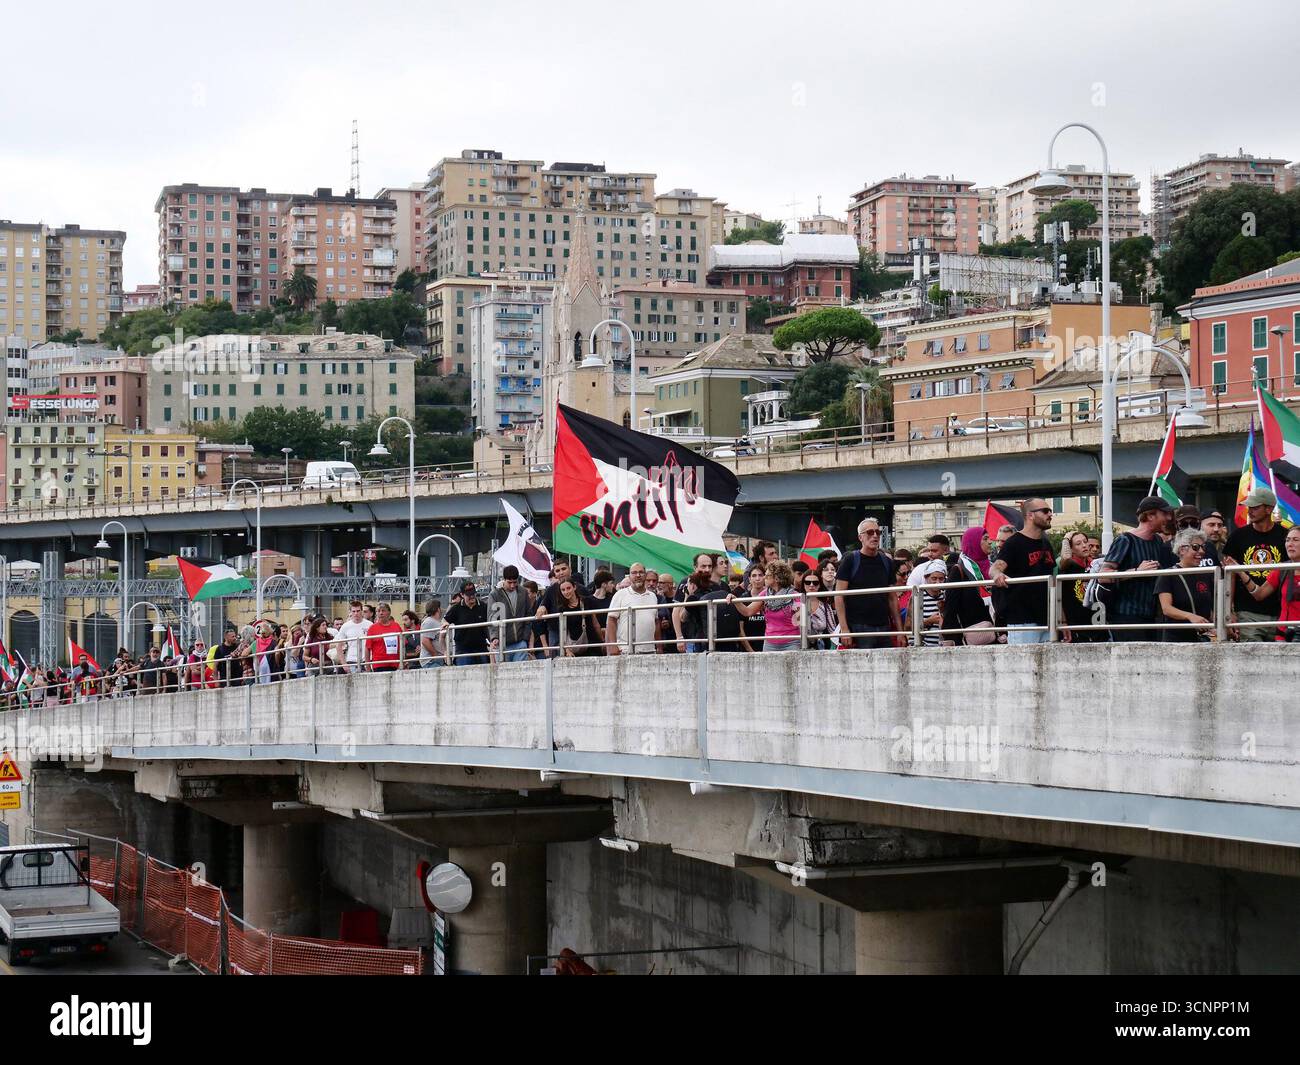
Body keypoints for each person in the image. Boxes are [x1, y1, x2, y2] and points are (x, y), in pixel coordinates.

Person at [1095, 497, 1177, 641]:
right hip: (1126, 616)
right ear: (1150, 515)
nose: (1168, 518)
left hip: (1152, 616)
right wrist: (1137, 572)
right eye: (1164, 513)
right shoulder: (1125, 540)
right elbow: (1103, 576)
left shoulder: (1158, 541)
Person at [1224, 487, 1290, 643]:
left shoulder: (1286, 536)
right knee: (1251, 659)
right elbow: (1230, 575)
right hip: (1247, 612)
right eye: (1249, 507)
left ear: (1269, 509)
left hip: (1280, 612)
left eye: (1255, 507)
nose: (1250, 511)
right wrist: (1230, 610)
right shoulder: (1238, 536)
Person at [990, 498, 1060, 644]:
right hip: (1022, 619)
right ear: (1030, 515)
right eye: (1045, 511)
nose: (1050, 514)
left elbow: (1054, 582)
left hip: (1047, 618)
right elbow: (996, 567)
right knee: (1022, 666)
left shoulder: (1046, 543)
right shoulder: (1014, 542)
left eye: (1050, 511)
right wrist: (998, 574)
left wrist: (1062, 619)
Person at [835, 518, 900, 648]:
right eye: (870, 532)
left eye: (878, 532)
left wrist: (900, 631)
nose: (875, 535)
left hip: (883, 626)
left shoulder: (886, 561)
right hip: (858, 627)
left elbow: (892, 597)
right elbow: (839, 596)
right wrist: (845, 629)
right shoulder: (850, 560)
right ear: (860, 537)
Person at [1230, 524, 1300, 642]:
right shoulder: (1282, 569)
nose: (1290, 544)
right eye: (1287, 540)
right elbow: (1259, 594)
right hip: (1284, 635)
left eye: (1296, 540)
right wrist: (1241, 572)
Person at [1155, 527, 1216, 642]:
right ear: (1182, 550)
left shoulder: (1206, 573)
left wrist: (1215, 627)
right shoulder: (1168, 574)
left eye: (1203, 547)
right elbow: (1166, 608)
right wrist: (1190, 616)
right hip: (1176, 638)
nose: (1201, 551)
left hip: (1202, 638)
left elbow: (1209, 607)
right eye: (1196, 547)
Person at [730, 561, 800, 651]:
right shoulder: (765, 593)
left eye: (767, 576)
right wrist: (735, 600)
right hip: (770, 643)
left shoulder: (794, 596)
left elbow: (801, 623)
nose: (763, 578)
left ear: (777, 578)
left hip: (791, 643)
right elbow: (748, 611)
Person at [943, 527, 995, 645]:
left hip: (995, 635)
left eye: (989, 538)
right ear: (974, 543)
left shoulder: (992, 568)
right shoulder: (959, 571)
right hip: (969, 638)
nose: (990, 542)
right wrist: (951, 639)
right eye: (985, 539)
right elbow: (950, 608)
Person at [1058, 531, 1103, 642]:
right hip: (1076, 623)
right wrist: (1066, 540)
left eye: (1085, 542)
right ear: (1071, 548)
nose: (1084, 545)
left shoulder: (1095, 565)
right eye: (1078, 543)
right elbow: (1066, 557)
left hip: (1097, 621)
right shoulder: (1069, 566)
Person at [606, 563, 660, 655]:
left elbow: (656, 622)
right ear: (629, 576)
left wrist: (659, 647)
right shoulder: (620, 594)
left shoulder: (653, 596)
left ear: (645, 575)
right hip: (626, 650)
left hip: (650, 650)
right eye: (634, 573)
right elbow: (611, 621)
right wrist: (613, 646)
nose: (638, 575)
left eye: (641, 572)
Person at [673, 553, 717, 653]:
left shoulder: (717, 585)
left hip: (714, 637)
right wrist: (679, 637)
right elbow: (677, 611)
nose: (707, 569)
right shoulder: (686, 583)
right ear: (695, 567)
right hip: (692, 638)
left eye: (709, 566)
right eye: (703, 566)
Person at [488, 566, 533, 662]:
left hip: (520, 642)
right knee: (503, 674)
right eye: (509, 582)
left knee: (520, 672)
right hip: (501, 643)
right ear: (503, 579)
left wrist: (525, 638)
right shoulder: (495, 594)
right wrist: (495, 637)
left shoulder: (523, 592)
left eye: (515, 582)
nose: (512, 585)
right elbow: (492, 617)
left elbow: (528, 615)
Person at [554, 578, 600, 655]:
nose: (566, 592)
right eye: (563, 590)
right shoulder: (561, 609)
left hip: (592, 644)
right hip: (575, 647)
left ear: (574, 587)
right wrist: (567, 650)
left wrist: (602, 642)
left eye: (568, 588)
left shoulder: (587, 601)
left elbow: (595, 622)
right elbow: (562, 631)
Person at [446, 582, 490, 665]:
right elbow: (445, 620)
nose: (472, 596)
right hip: (463, 650)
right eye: (469, 594)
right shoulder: (456, 608)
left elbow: (490, 624)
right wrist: (445, 624)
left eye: (473, 593)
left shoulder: (483, 606)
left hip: (481, 648)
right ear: (462, 595)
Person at [914, 560, 948, 646]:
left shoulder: (946, 595)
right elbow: (908, 626)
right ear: (926, 578)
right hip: (923, 646)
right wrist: (928, 621)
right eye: (934, 578)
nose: (938, 582)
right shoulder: (918, 596)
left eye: (941, 579)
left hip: (943, 645)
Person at [365, 602, 405, 672]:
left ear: (389, 612)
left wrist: (403, 661)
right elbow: (367, 648)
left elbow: (402, 645)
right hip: (379, 665)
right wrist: (368, 667)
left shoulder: (396, 626)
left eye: (383, 610)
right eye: (378, 611)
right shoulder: (372, 628)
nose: (381, 613)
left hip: (395, 664)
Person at [801, 571, 837, 648]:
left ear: (819, 585)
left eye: (815, 582)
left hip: (820, 647)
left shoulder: (825, 606)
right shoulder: (796, 604)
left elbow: (832, 631)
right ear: (803, 584)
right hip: (797, 645)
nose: (811, 585)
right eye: (807, 582)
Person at [336, 600, 372, 674]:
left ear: (362, 611)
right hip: (351, 661)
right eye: (354, 611)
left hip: (367, 660)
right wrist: (344, 664)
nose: (356, 613)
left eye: (358, 611)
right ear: (350, 612)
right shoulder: (345, 626)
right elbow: (338, 646)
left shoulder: (370, 625)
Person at [739, 566, 766, 652]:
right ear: (749, 579)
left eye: (760, 575)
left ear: (765, 577)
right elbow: (740, 629)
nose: (757, 579)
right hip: (748, 648)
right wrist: (750, 650)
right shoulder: (743, 599)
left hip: (769, 645)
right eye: (754, 576)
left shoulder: (771, 596)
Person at [419, 600, 447, 667]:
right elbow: (425, 641)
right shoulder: (429, 622)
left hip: (434, 660)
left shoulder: (435, 621)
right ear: (438, 609)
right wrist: (436, 656)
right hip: (430, 661)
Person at [655, 573, 678, 653]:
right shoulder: (658, 599)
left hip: (678, 640)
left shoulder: (678, 598)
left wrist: (670, 623)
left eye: (662, 583)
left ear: (670, 584)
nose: (658, 585)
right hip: (664, 640)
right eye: (658, 583)